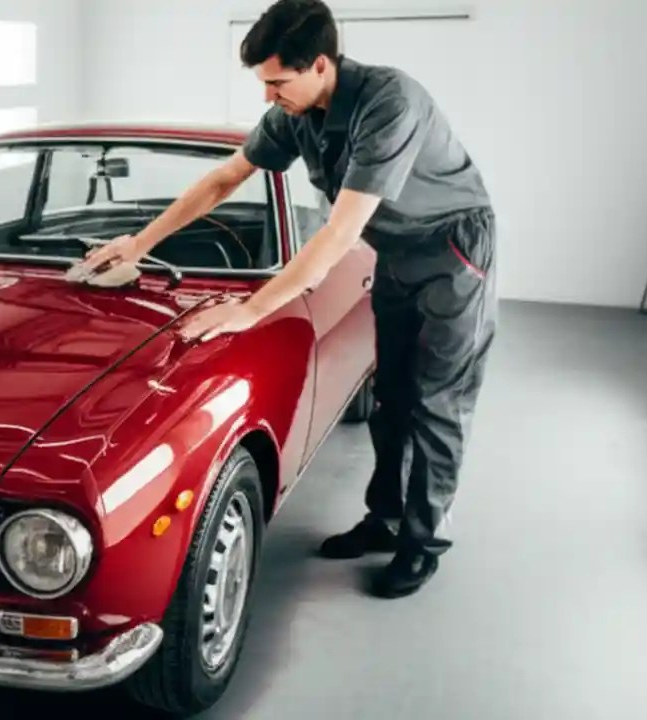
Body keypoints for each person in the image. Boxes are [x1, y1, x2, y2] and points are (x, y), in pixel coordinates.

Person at [75, 0, 496, 598]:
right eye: (263, 83)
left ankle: (422, 544)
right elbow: (225, 179)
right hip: (397, 251)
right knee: (394, 396)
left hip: (451, 249)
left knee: (437, 402)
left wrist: (249, 310)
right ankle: (386, 519)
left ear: (319, 65)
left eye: (277, 82)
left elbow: (341, 231)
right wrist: (140, 242)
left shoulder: (390, 103)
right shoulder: (295, 112)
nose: (268, 95)